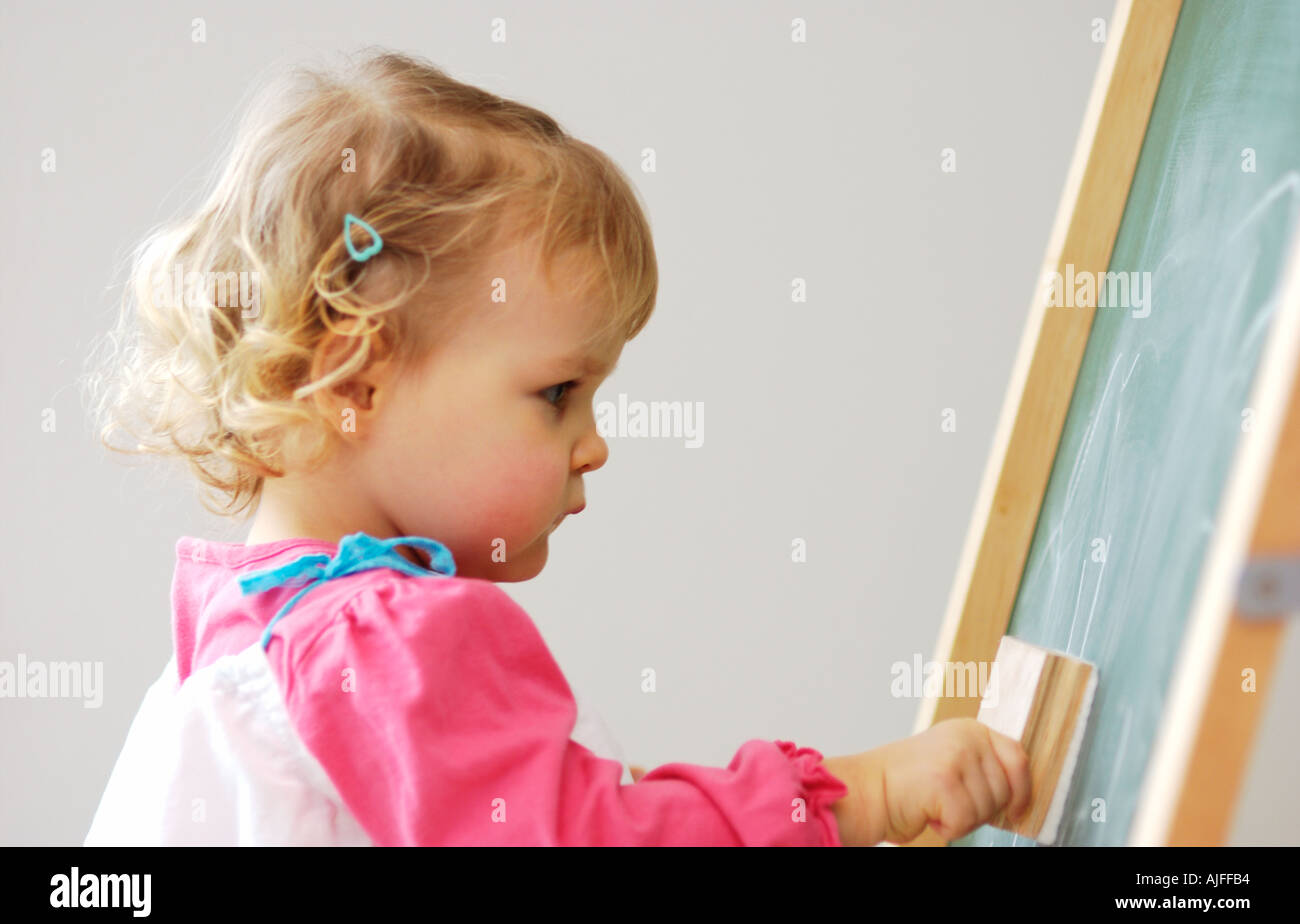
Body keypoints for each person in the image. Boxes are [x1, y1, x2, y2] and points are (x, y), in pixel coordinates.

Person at [82, 47, 1029, 846]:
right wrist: (867, 794)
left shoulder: (222, 651)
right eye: (559, 393)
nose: (594, 446)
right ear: (355, 384)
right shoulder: (385, 644)